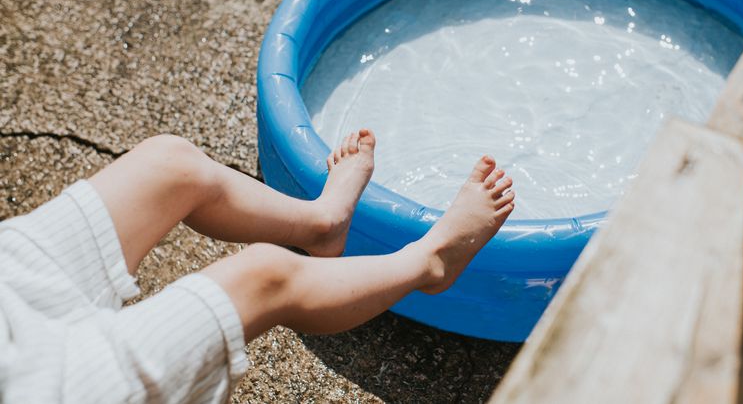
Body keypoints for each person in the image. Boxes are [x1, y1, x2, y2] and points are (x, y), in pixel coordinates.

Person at [0, 129, 515, 403]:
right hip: (36, 383)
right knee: (263, 278)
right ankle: (431, 262)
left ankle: (321, 223)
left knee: (170, 165)